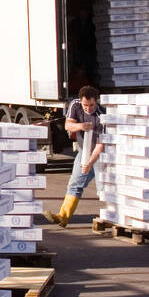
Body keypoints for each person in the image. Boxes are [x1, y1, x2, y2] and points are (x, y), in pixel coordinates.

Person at [43, 85, 105, 227]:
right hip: (84, 151)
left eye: (91, 105)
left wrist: (90, 163)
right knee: (75, 183)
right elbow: (68, 125)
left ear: (96, 102)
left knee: (104, 189)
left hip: (100, 154)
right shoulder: (75, 105)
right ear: (80, 101)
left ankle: (114, 216)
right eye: (85, 105)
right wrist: (81, 126)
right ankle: (63, 216)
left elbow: (101, 145)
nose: (88, 108)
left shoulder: (102, 116)